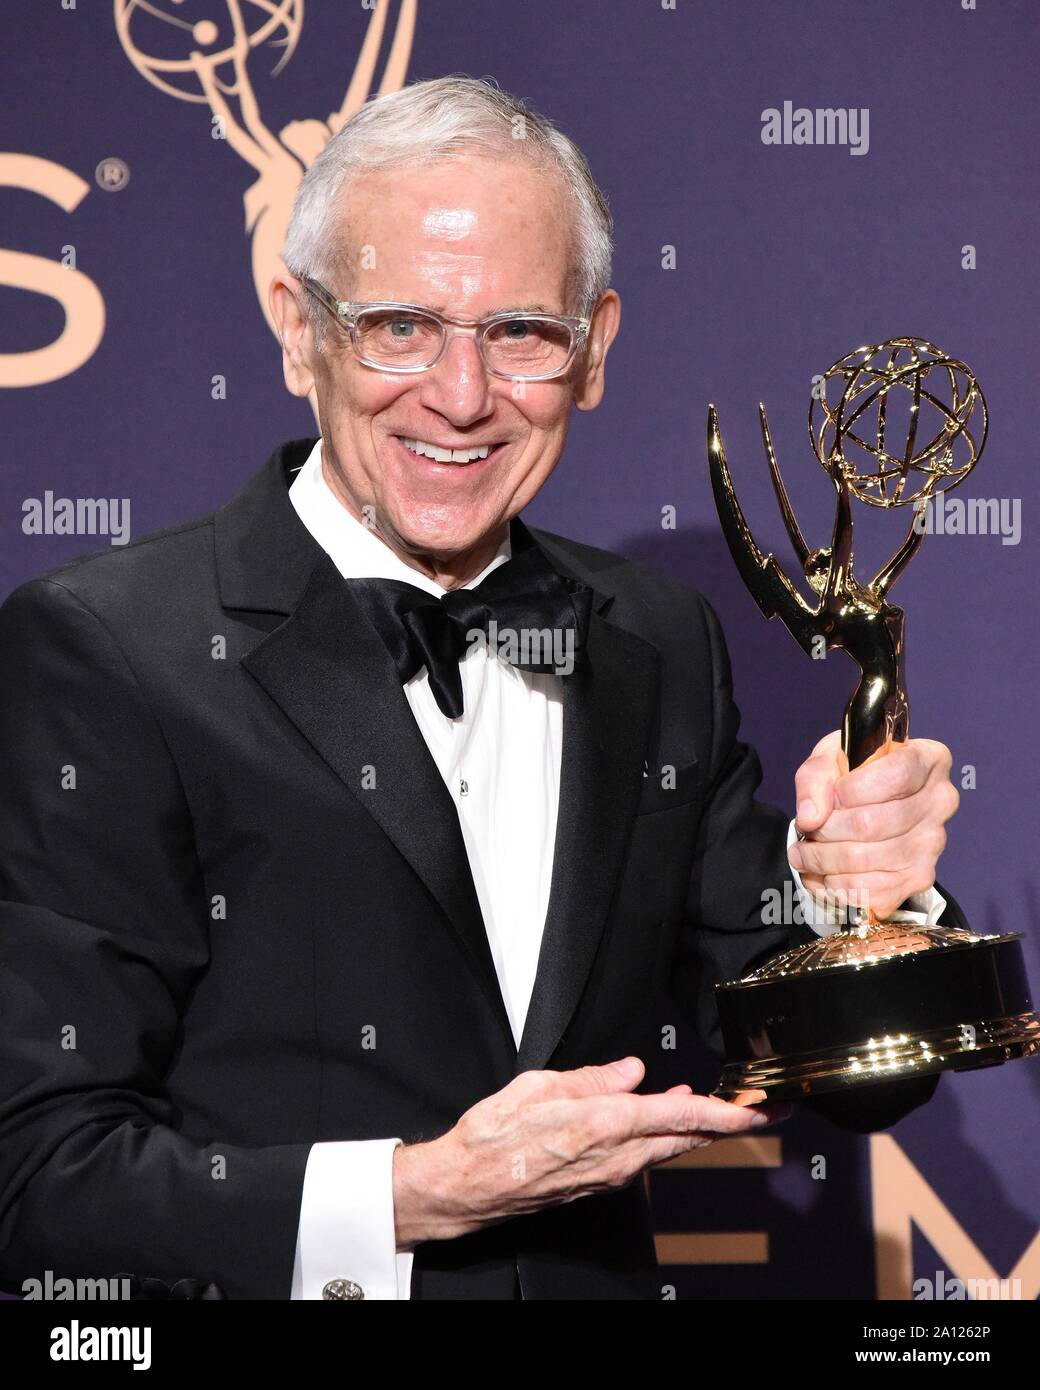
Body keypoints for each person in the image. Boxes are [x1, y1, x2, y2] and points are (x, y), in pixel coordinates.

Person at [0, 77, 960, 1301]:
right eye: (399, 325)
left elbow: (848, 1075)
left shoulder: (653, 641)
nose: (460, 396)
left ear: (593, 349)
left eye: (519, 334)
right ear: (299, 329)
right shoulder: (105, 647)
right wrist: (405, 1197)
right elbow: (35, 1171)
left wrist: (862, 907)